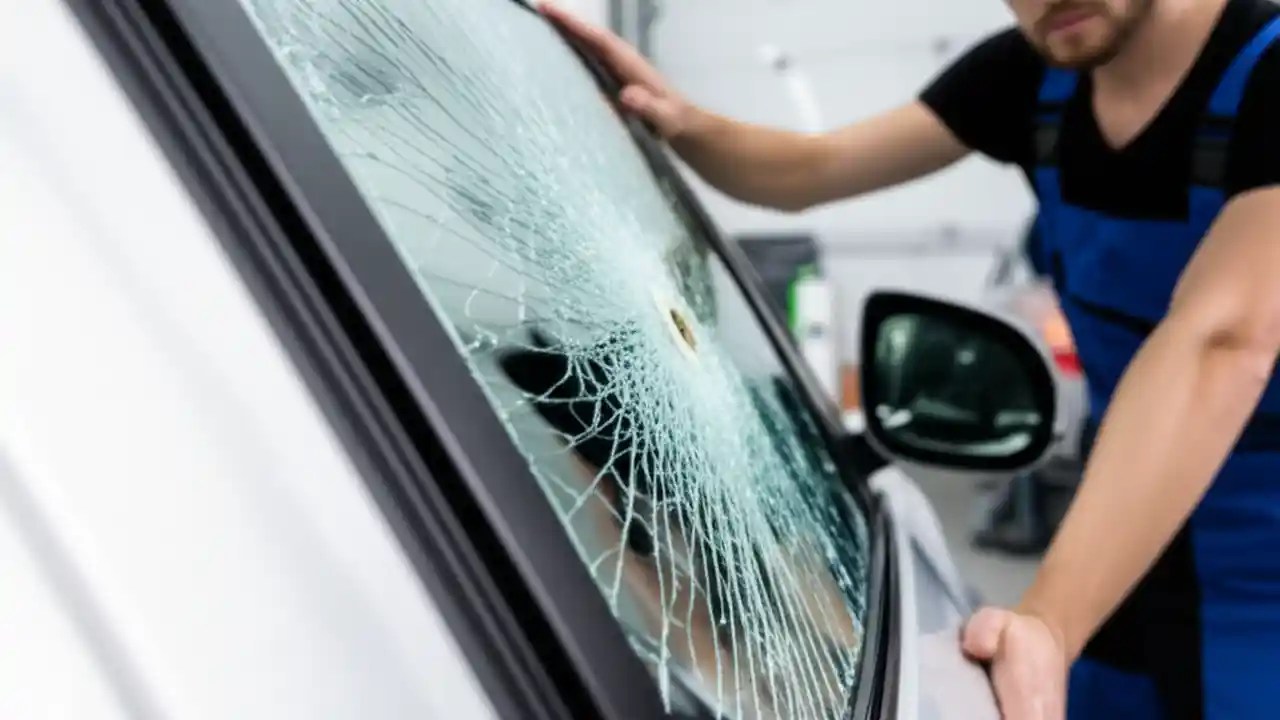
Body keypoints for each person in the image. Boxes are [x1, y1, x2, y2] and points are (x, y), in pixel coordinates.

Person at [541, 0, 1280, 717]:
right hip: (1121, 537)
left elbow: (1222, 339)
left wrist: (1051, 624)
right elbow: (812, 168)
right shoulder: (1031, 77)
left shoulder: (1268, 70)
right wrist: (682, 122)